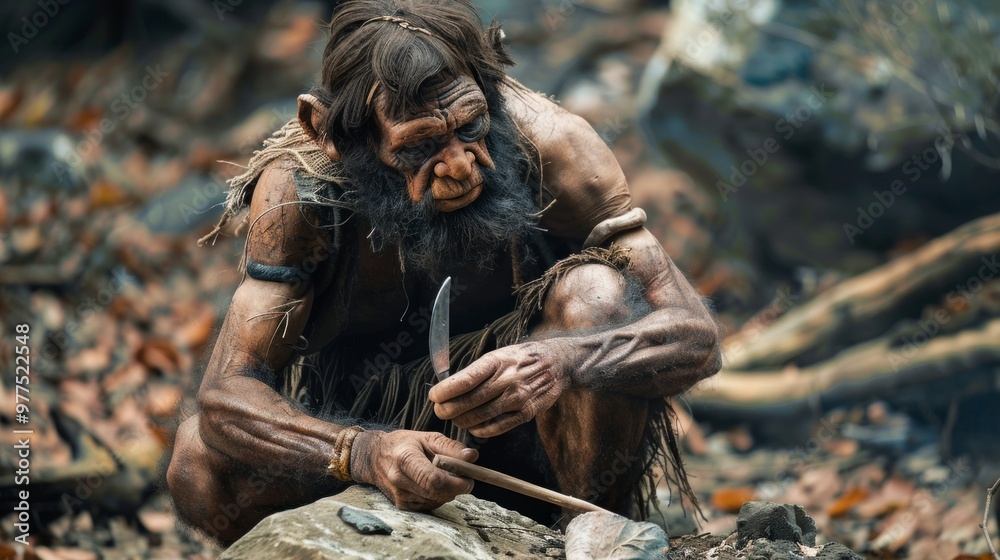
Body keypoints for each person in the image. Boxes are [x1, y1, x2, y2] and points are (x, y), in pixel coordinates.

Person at [166, 0, 722, 544]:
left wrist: (559, 362)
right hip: (368, 442)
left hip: (536, 447)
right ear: (329, 133)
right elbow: (225, 396)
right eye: (421, 146)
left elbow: (695, 339)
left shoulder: (553, 144)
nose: (460, 165)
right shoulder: (300, 190)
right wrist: (360, 452)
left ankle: (585, 537)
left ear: (493, 91)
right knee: (197, 460)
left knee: (598, 297)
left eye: (471, 126)